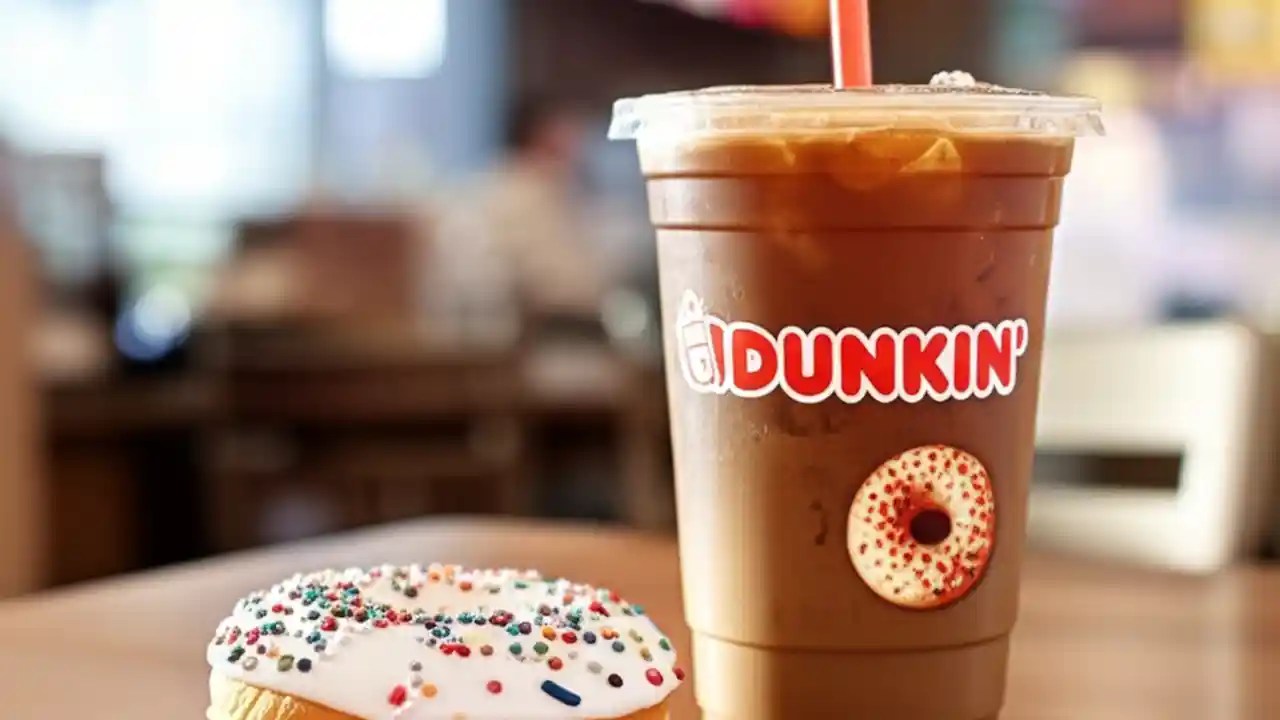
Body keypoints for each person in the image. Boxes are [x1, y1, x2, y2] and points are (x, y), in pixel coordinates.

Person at [426, 96, 608, 339]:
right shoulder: (522, 191)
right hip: (536, 332)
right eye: (567, 131)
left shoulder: (528, 185)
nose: (577, 143)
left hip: (541, 326)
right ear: (540, 134)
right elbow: (560, 283)